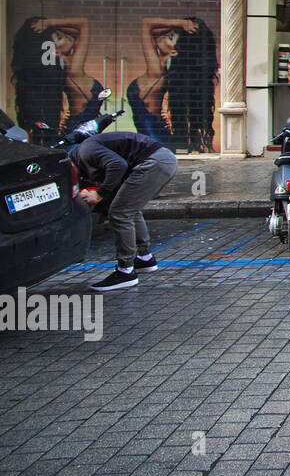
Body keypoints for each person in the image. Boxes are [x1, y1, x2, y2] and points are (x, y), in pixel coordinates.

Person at [69, 131, 179, 292]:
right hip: (162, 160)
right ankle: (145, 258)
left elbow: (117, 165)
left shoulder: (85, 151)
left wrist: (99, 194)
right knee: (129, 209)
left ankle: (125, 271)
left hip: (153, 162)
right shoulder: (86, 154)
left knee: (119, 213)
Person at [126, 16, 219, 153]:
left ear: (174, 52)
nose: (162, 37)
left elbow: (147, 25)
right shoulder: (166, 74)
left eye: (169, 37)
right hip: (156, 139)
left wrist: (180, 23)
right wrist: (180, 27)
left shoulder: (156, 72)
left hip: (154, 141)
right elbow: (154, 31)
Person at [10, 16, 101, 143]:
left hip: (78, 126)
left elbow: (75, 32)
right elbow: (83, 23)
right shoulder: (73, 68)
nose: (66, 36)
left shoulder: (60, 71)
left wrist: (49, 26)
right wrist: (50, 23)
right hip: (81, 128)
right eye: (59, 37)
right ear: (54, 51)